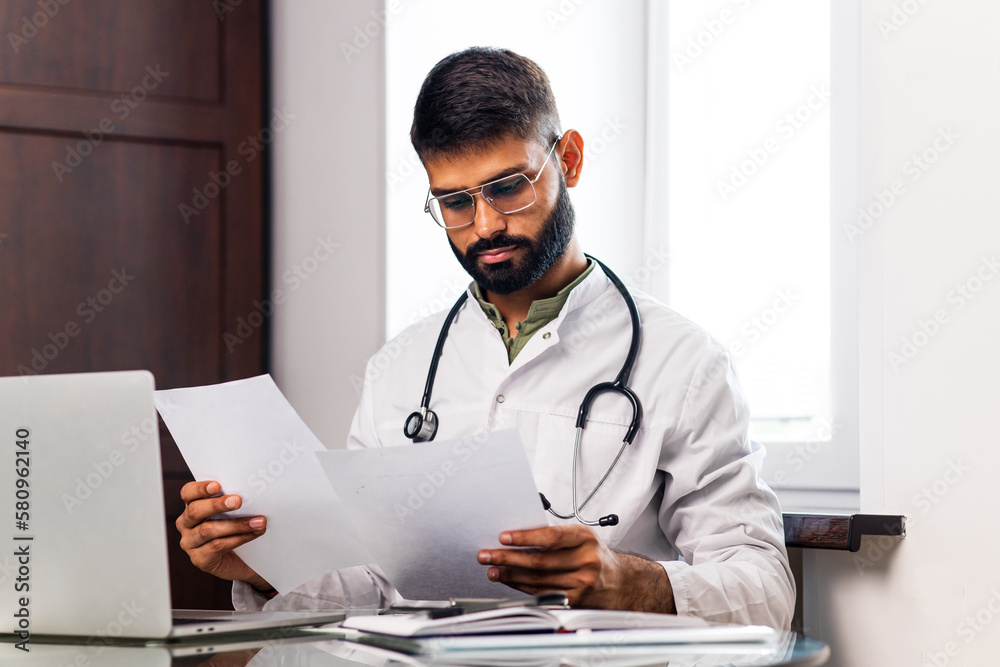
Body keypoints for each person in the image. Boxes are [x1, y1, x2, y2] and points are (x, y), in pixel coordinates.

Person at [176, 47, 795, 629]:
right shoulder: (403, 366)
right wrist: (259, 566)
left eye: (507, 187)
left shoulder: (684, 362)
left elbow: (766, 592)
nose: (486, 225)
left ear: (570, 159)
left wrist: (628, 581)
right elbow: (373, 583)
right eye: (454, 201)